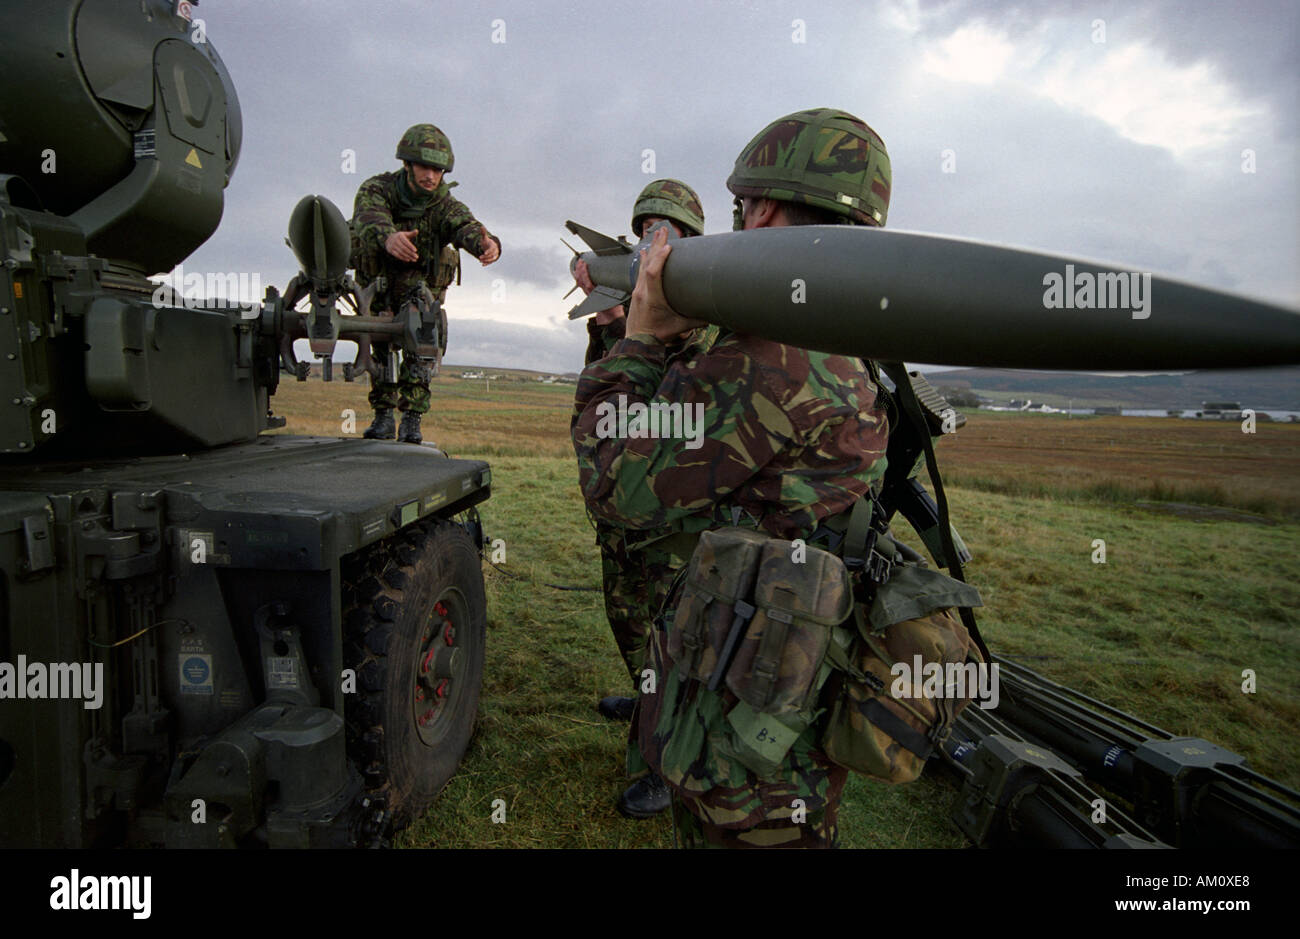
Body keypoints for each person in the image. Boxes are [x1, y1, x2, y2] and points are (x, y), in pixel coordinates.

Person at [572, 108, 893, 846]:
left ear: (768, 208)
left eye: (740, 208)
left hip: (749, 686)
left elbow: (618, 488)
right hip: (786, 656)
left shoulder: (771, 354)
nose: (737, 222)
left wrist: (640, 342)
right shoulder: (844, 329)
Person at [571, 179, 708, 819]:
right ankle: (645, 695)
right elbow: (609, 403)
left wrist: (651, 330)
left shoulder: (708, 315)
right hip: (624, 514)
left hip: (670, 517)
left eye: (668, 229)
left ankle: (664, 765)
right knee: (631, 623)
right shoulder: (640, 305)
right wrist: (610, 329)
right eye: (646, 226)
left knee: (674, 639)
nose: (655, 239)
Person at [351, 123, 501, 443]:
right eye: (424, 167)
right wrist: (388, 238)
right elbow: (368, 215)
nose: (431, 176)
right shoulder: (377, 189)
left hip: (418, 292)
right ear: (407, 164)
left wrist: (487, 246)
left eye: (437, 169)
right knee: (380, 353)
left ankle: (412, 420)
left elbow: (466, 226)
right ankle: (382, 416)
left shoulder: (444, 205)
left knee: (421, 347)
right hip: (377, 289)